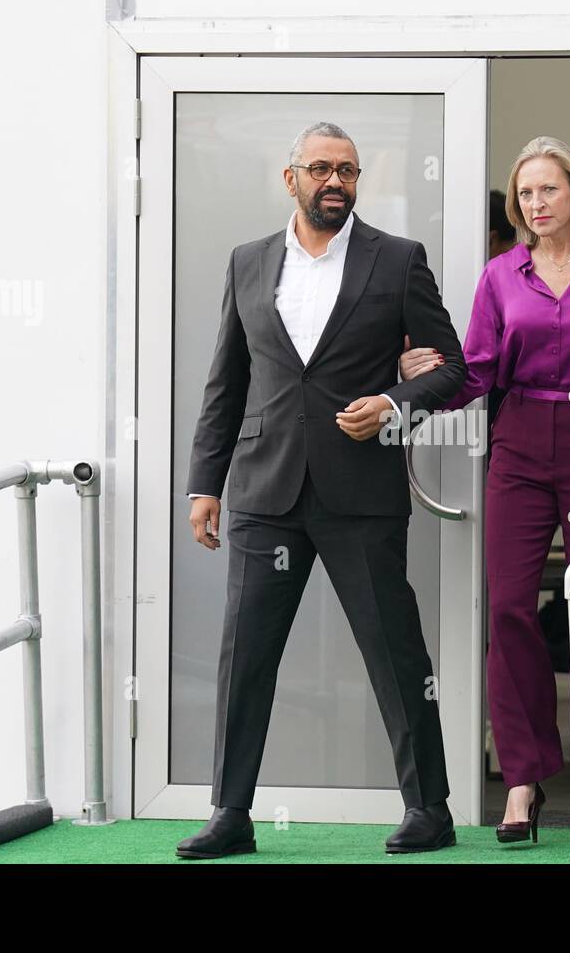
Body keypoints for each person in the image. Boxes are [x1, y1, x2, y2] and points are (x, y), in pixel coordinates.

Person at [179, 121, 467, 858]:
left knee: (395, 652)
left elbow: (455, 370)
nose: (335, 181)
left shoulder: (398, 260)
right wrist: (202, 485)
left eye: (348, 170)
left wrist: (394, 404)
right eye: (321, 169)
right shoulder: (248, 263)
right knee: (245, 656)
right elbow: (226, 384)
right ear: (292, 178)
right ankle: (230, 814)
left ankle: (429, 809)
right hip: (264, 490)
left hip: (360, 492)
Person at [401, 136, 570, 845]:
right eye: (526, 194)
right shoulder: (501, 275)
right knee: (508, 606)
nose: (536, 204)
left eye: (549, 190)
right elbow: (476, 371)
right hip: (518, 440)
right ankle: (524, 777)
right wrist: (420, 382)